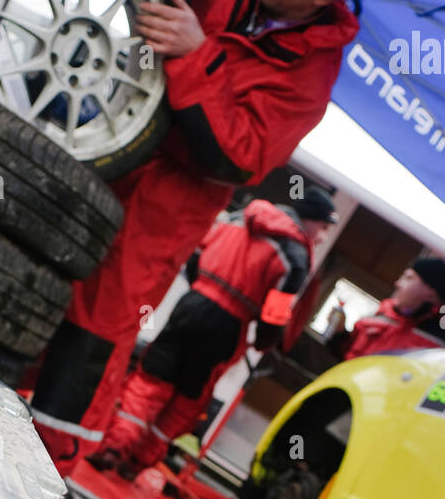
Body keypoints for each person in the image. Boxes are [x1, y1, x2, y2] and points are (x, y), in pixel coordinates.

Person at [27, 0, 383, 474]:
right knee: (36, 266)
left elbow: (242, 156)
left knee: (100, 325)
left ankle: (45, 471)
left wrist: (198, 57)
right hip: (106, 144)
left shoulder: (312, 76)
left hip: (169, 207)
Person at [188, 255, 445, 499]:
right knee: (276, 460)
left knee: (316, 487)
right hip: (328, 403)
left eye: (409, 277)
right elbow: (346, 351)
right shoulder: (382, 314)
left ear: (430, 292)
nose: (399, 282)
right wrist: (339, 331)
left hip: (365, 428)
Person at [89, 183, 337, 479]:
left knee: (152, 378)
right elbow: (275, 314)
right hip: (228, 327)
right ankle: (136, 463)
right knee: (188, 399)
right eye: (322, 227)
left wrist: (204, 288)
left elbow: (195, 255)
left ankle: (114, 446)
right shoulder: (295, 256)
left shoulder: (239, 218)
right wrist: (264, 341)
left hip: (191, 304)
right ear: (309, 218)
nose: (321, 237)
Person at [339, 257, 445, 359]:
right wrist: (338, 334)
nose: (397, 283)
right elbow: (344, 358)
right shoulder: (377, 317)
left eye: (409, 278)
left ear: (430, 292)